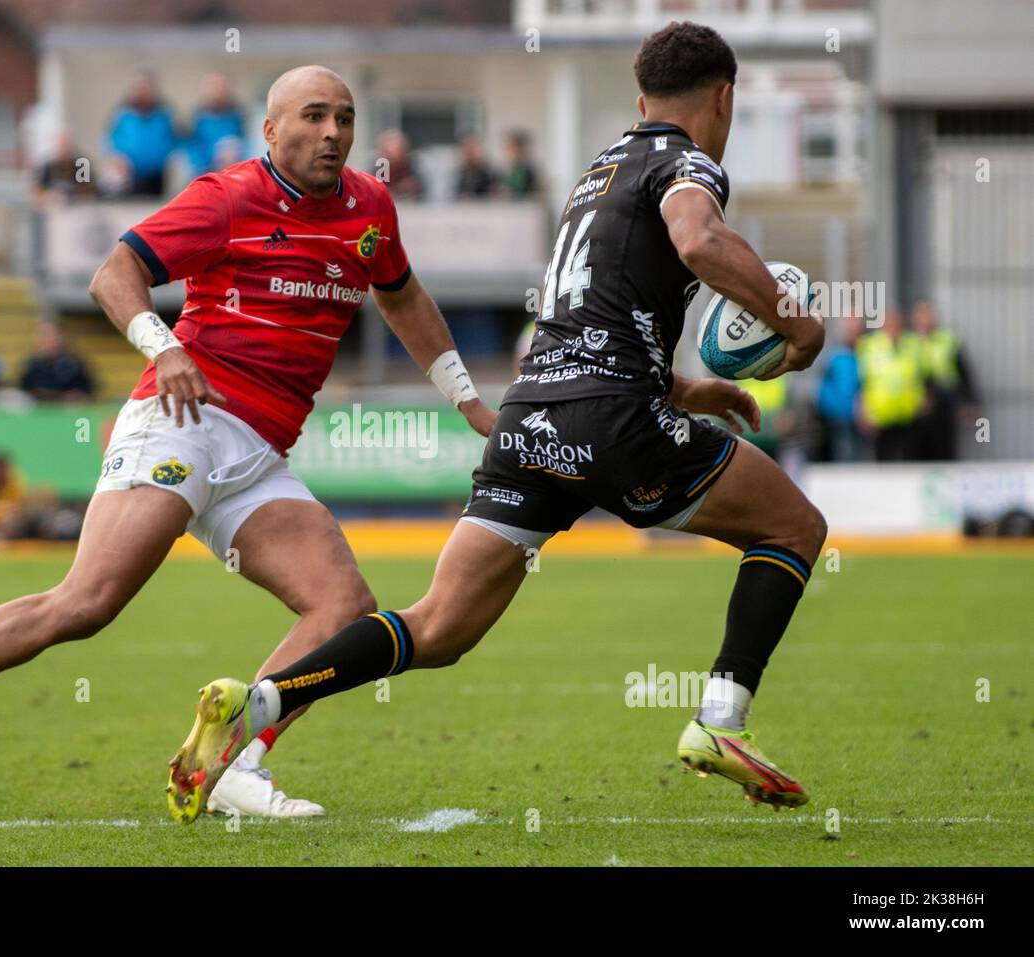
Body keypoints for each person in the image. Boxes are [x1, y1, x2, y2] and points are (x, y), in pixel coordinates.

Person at [163, 22, 830, 824]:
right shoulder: (688, 164)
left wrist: (687, 390)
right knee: (794, 527)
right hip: (614, 422)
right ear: (724, 98)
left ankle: (262, 699)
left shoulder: (598, 173)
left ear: (639, 95)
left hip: (531, 417)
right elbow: (699, 239)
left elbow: (596, 318)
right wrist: (798, 325)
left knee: (437, 627)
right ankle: (719, 722)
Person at [0, 65, 496, 821]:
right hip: (184, 423)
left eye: (346, 118)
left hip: (259, 455)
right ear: (270, 130)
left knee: (342, 605)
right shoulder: (227, 197)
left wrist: (463, 394)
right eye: (314, 116)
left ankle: (233, 764)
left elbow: (402, 296)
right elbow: (114, 274)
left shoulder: (370, 208)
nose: (333, 132)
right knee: (87, 601)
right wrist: (163, 346)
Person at [910, 299, 980, 461]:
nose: (925, 319)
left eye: (928, 314)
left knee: (945, 452)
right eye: (921, 315)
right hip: (916, 407)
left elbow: (964, 372)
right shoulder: (909, 342)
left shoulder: (949, 340)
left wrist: (971, 401)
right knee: (917, 454)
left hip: (945, 405)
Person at [856, 306, 924, 461]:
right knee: (883, 464)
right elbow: (861, 383)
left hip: (908, 416)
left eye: (897, 324)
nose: (894, 328)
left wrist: (922, 400)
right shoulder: (869, 346)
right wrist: (863, 411)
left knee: (910, 462)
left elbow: (922, 378)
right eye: (890, 324)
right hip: (880, 418)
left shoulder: (913, 345)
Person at [106, 70, 178, 198]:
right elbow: (111, 140)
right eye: (139, 87)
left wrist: (165, 157)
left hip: (158, 174)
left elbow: (175, 139)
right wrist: (118, 158)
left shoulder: (165, 115)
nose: (143, 92)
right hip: (130, 175)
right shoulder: (123, 115)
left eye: (146, 88)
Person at [815, 313, 865, 461]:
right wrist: (834, 409)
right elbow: (822, 387)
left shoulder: (868, 352)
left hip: (863, 421)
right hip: (837, 420)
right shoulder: (833, 355)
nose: (853, 328)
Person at [185, 73, 247, 177]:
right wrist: (202, 165)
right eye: (213, 87)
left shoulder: (238, 116)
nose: (217, 92)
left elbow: (245, 142)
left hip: (233, 171)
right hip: (205, 170)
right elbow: (192, 145)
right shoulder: (198, 117)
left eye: (220, 87)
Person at [18, 323, 94, 402]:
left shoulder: (74, 363)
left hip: (67, 409)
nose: (48, 340)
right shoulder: (31, 364)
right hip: (39, 408)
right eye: (44, 337)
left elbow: (86, 392)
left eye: (52, 336)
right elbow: (23, 392)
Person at [376, 128, 423, 199]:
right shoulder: (380, 166)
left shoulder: (412, 165)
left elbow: (421, 189)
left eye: (395, 146)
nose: (392, 150)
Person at [501, 130, 540, 198]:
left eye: (515, 149)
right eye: (509, 149)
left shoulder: (530, 172)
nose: (513, 153)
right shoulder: (504, 170)